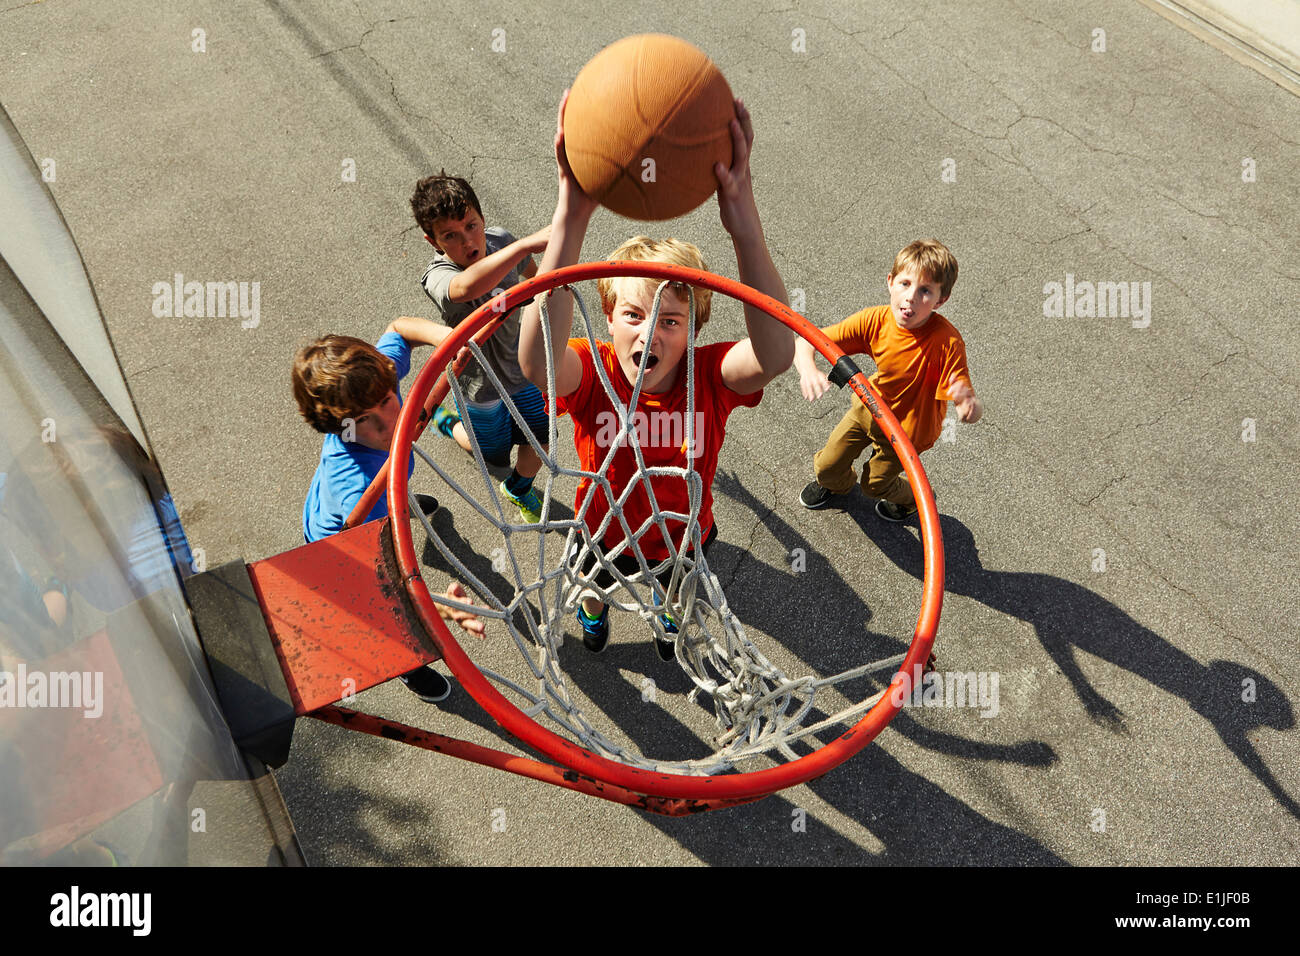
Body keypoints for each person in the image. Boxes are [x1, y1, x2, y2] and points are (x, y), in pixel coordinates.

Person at [518, 91, 793, 659]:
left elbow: (776, 354)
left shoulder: (709, 376)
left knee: (675, 594)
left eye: (670, 319)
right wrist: (569, 217)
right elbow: (535, 361)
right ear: (609, 317)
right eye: (633, 315)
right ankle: (595, 619)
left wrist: (745, 227)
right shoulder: (591, 371)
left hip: (683, 536)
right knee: (590, 587)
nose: (650, 334)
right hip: (600, 530)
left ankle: (668, 622)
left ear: (694, 328)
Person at [292, 319, 484, 701]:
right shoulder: (360, 486)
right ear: (337, 428)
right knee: (386, 621)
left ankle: (404, 504)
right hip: (344, 545)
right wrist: (444, 610)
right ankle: (409, 668)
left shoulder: (374, 381)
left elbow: (399, 329)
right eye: (364, 421)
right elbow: (395, 586)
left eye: (385, 402)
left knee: (396, 490)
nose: (389, 421)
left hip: (369, 498)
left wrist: (448, 341)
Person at [795, 239, 982, 521]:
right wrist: (809, 369)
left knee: (874, 486)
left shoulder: (947, 343)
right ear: (891, 282)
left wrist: (968, 406)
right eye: (905, 284)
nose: (911, 297)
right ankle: (837, 485)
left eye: (925, 291)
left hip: (907, 431)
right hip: (868, 408)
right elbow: (806, 340)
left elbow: (970, 406)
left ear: (941, 300)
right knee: (827, 468)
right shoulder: (876, 320)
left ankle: (914, 499)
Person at [411, 172, 553, 523]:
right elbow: (465, 289)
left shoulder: (501, 240)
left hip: (522, 371)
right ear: (433, 242)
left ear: (482, 217)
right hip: (480, 386)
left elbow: (532, 277)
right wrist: (522, 247)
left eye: (471, 226)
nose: (468, 241)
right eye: (451, 236)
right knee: (493, 456)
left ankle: (518, 488)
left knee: (543, 437)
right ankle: (449, 424)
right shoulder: (439, 276)